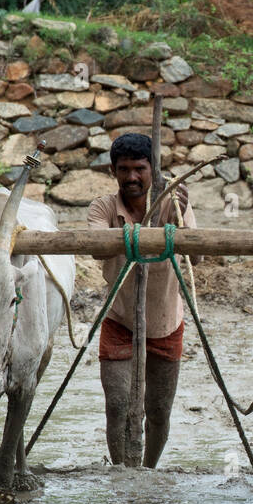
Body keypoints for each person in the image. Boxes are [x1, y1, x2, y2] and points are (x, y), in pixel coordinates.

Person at [87, 133, 196, 467]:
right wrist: (138, 236)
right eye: (124, 169)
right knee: (117, 404)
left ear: (154, 169)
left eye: (139, 169)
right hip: (119, 319)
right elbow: (95, 246)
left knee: (159, 410)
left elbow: (198, 257)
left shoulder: (175, 203)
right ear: (113, 170)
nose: (131, 177)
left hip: (165, 322)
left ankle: (149, 470)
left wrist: (176, 223)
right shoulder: (102, 207)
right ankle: (121, 470)